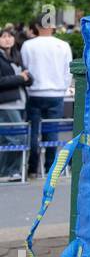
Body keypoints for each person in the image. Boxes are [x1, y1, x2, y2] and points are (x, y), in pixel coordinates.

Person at [20, 17, 72, 177]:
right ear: (53, 26)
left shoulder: (28, 45)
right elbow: (68, 71)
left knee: (34, 131)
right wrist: (63, 87)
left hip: (35, 92)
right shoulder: (63, 45)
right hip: (56, 93)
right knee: (52, 132)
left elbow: (25, 68)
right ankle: (50, 167)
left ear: (36, 26)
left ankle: (32, 169)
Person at [0, 28, 32, 181]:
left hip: (20, 103)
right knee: (17, 138)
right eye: (4, 37)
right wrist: (20, 78)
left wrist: (26, 77)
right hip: (6, 105)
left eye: (10, 36)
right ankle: (12, 172)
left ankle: (5, 172)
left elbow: (27, 78)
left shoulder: (15, 56)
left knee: (7, 139)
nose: (8, 39)